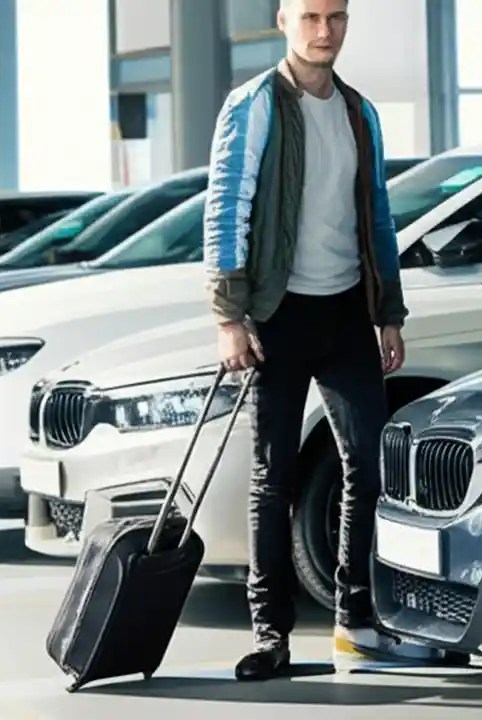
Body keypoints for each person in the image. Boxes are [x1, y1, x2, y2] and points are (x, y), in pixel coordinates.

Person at [201, 0, 408, 682]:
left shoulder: (360, 111)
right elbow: (227, 205)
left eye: (338, 17)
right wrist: (230, 314)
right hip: (277, 315)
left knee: (369, 469)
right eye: (312, 17)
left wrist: (390, 313)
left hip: (348, 311)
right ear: (284, 20)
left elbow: (376, 213)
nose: (326, 31)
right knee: (275, 478)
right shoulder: (255, 104)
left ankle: (356, 619)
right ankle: (272, 636)